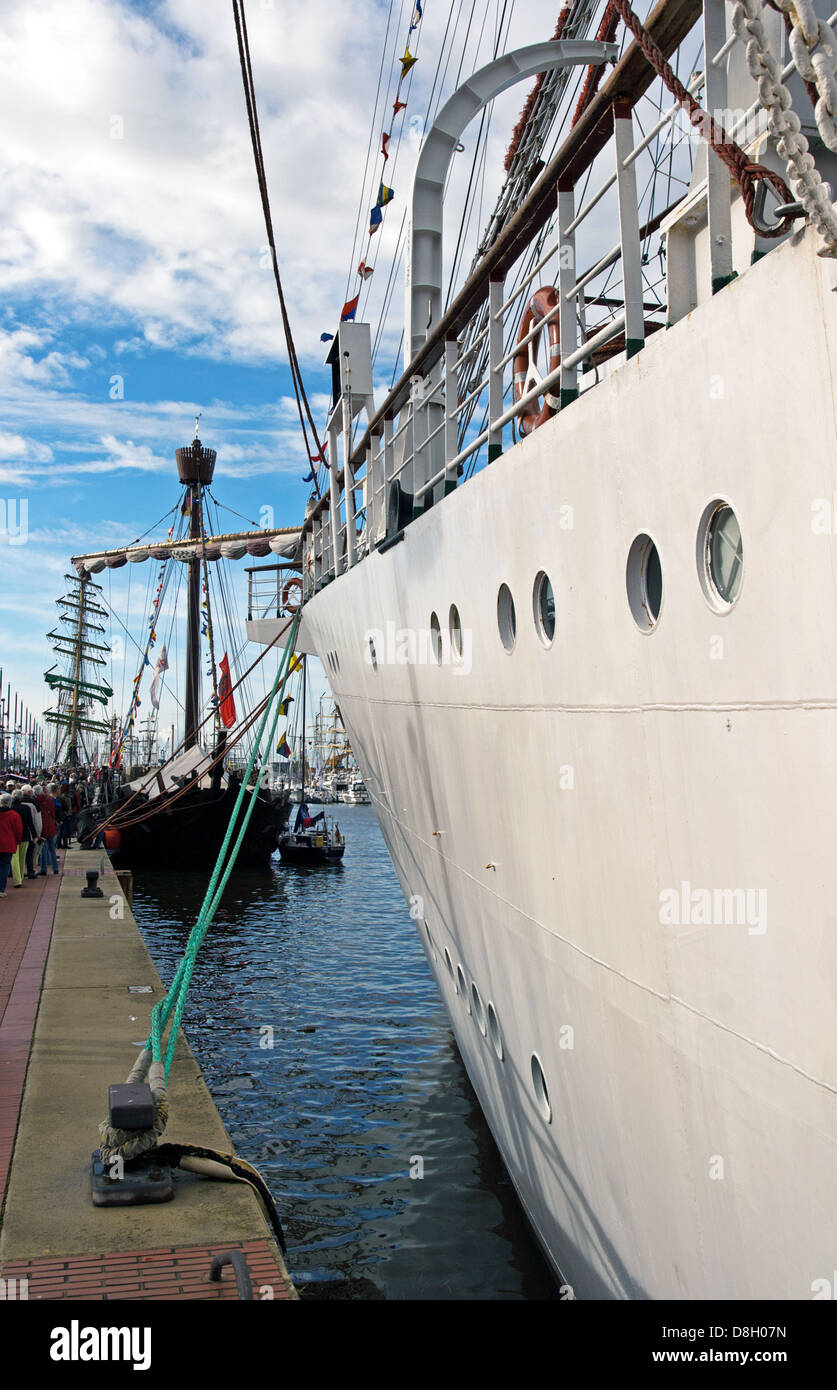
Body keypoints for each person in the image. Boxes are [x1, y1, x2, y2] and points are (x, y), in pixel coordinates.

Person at [11, 790, 36, 886]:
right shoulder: (26, 808)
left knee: (14, 858)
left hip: (13, 835)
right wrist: (34, 835)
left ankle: (17, 879)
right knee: (22, 857)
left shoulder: (11, 808)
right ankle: (20, 877)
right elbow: (30, 823)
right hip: (25, 835)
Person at [0, 793, 23, 897]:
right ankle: (1, 889)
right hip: (8, 844)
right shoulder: (14, 815)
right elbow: (18, 831)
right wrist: (17, 842)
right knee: (4, 867)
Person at [34, 783, 59, 876]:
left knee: (43, 850)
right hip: (51, 826)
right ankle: (55, 868)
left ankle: (43, 869)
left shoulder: (37, 802)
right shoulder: (49, 800)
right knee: (52, 849)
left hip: (42, 828)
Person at [19, 785, 42, 879]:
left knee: (18, 854)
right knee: (29, 853)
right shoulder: (34, 804)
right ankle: (30, 871)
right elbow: (37, 820)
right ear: (29, 792)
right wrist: (37, 834)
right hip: (30, 832)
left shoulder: (15, 804)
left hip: (18, 832)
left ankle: (18, 872)